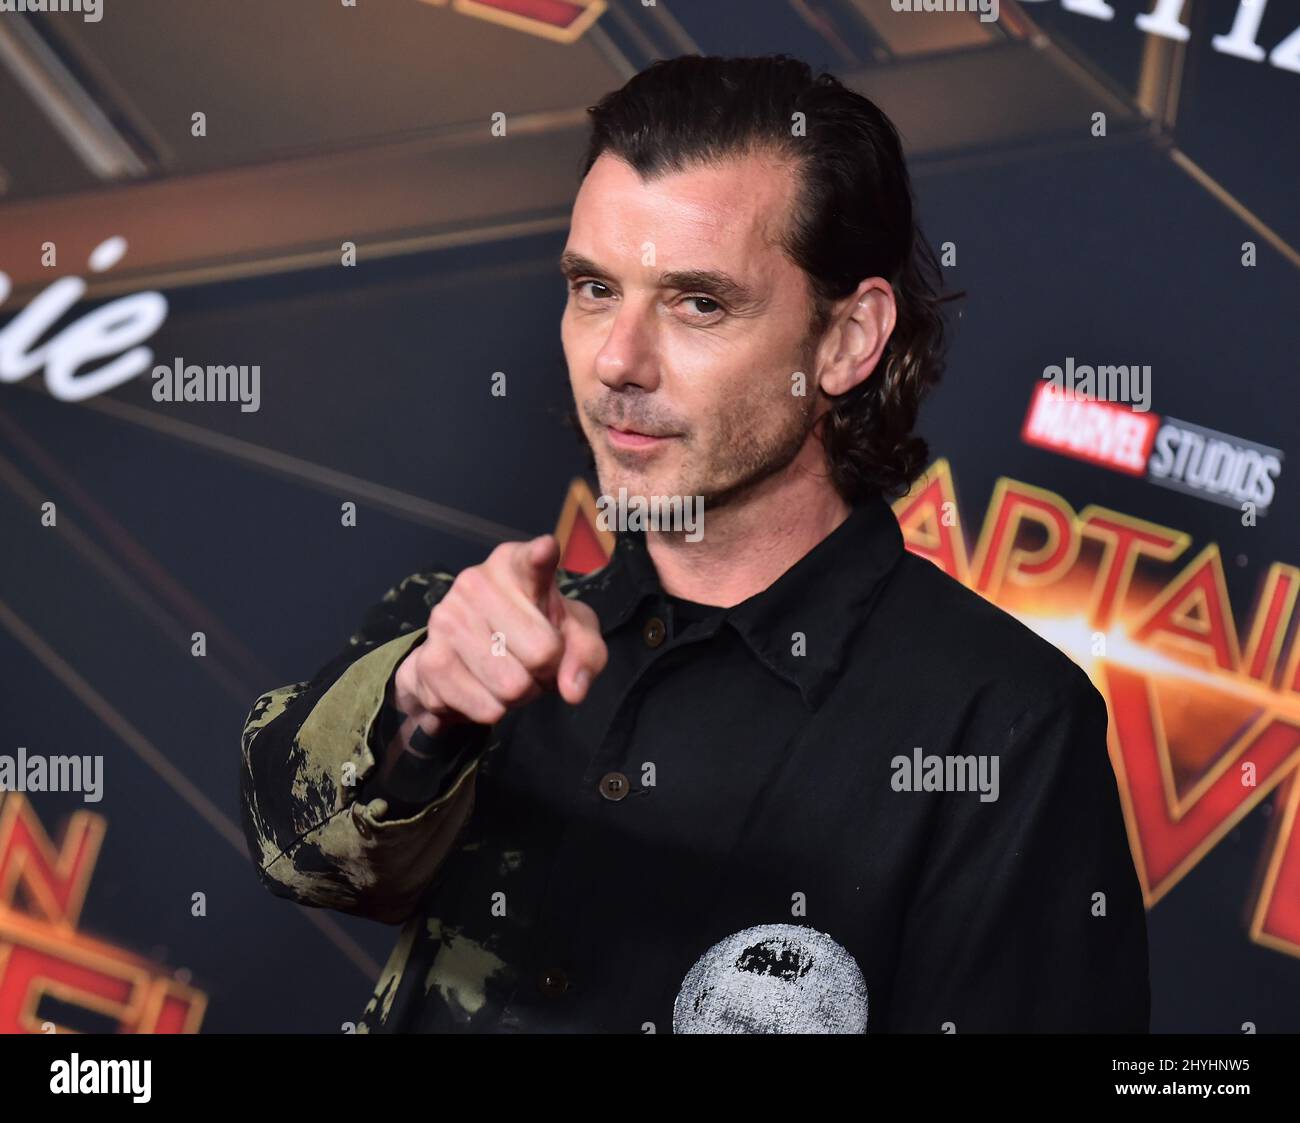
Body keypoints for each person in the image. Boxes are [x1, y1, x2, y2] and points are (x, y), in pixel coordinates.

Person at [239, 54, 1149, 1033]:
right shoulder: (478, 629)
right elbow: (294, 853)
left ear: (847, 340)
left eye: (698, 302)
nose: (618, 361)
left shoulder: (1004, 731)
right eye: (593, 289)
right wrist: (420, 706)